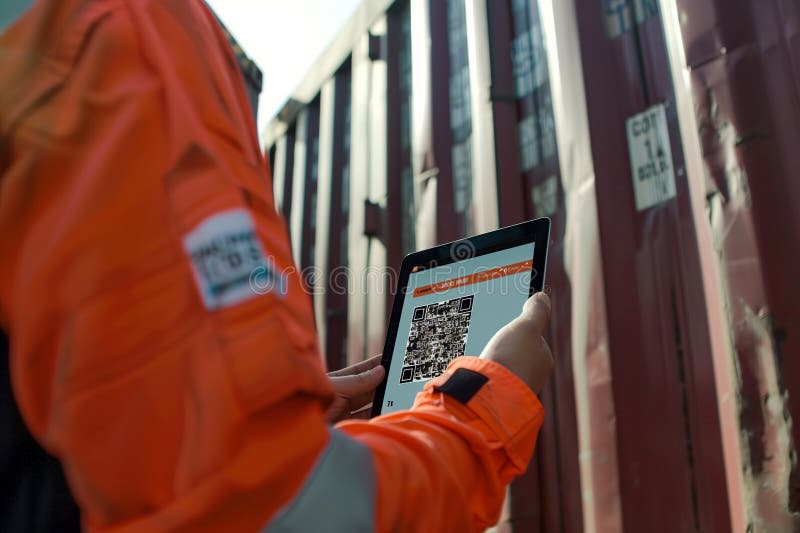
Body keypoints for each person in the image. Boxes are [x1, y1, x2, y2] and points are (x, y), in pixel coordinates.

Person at [0, 1, 555, 531]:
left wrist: (272, 424)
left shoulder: (58, 39)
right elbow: (266, 514)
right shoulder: (126, 39)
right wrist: (487, 412)